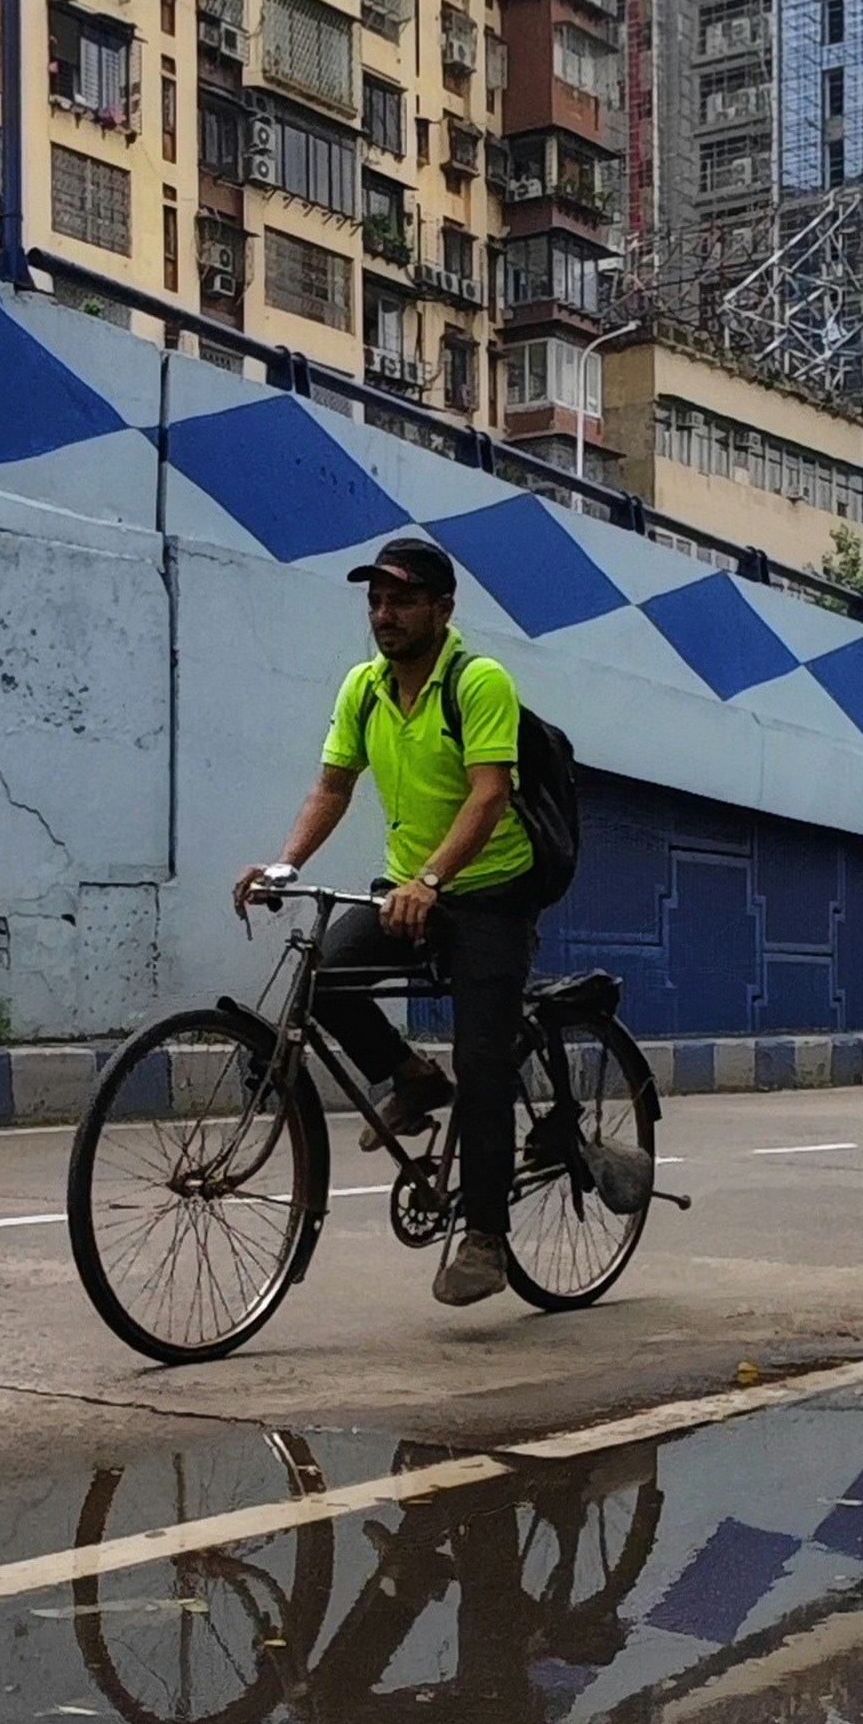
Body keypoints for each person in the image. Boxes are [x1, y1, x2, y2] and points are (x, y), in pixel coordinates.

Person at [233, 526, 547, 1309]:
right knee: (327, 977)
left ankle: (485, 1236)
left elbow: (489, 794)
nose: (384, 614)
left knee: (484, 1064)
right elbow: (332, 786)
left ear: (442, 608)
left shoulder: (478, 682)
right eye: (376, 600)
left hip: (488, 889)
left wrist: (434, 878)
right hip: (410, 885)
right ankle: (410, 1077)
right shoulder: (363, 687)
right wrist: (286, 865)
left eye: (402, 599)